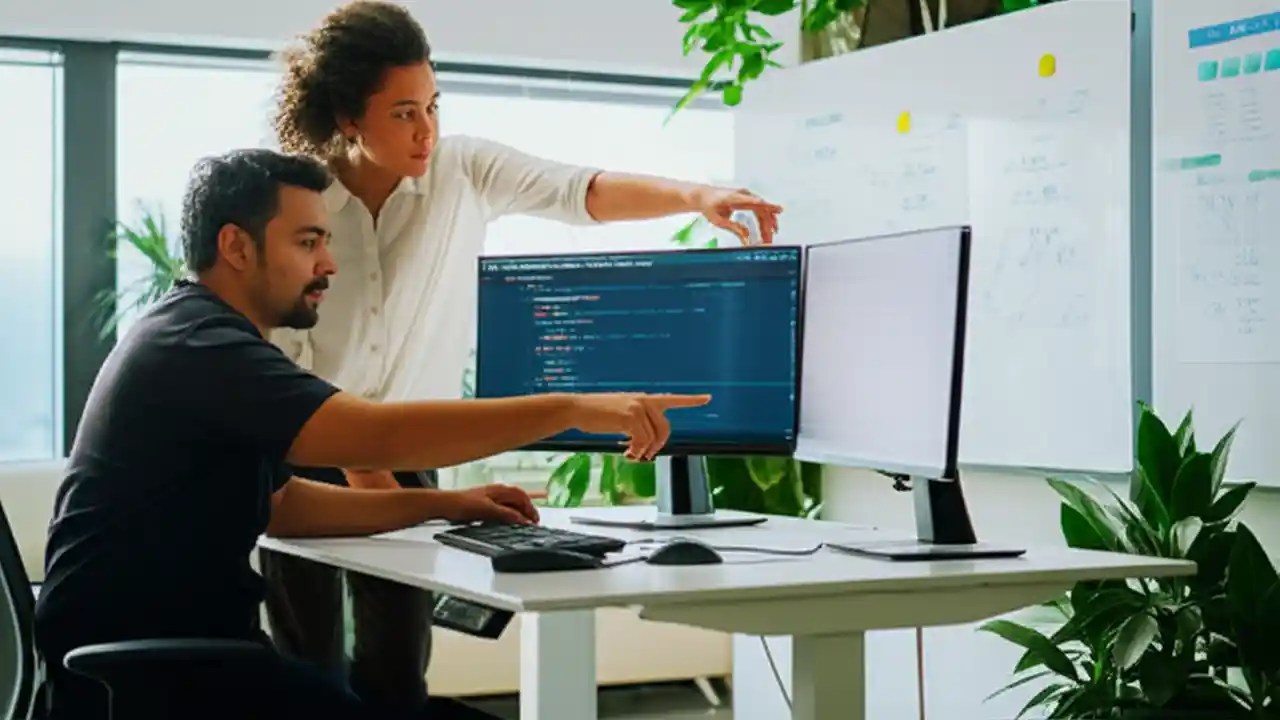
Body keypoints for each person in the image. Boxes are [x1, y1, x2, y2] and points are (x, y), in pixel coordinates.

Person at [32, 148, 710, 720]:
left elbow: (284, 507)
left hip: (170, 666)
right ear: (236, 246)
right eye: (307, 242)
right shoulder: (203, 346)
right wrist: (571, 407)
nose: (329, 263)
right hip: (157, 682)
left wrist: (446, 504)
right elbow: (371, 437)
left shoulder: (191, 332)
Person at [258, 0, 785, 714]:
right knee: (306, 668)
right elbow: (284, 353)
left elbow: (580, 191)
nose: (427, 130)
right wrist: (366, 466)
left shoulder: (462, 169)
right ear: (348, 117)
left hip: (411, 445)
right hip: (306, 451)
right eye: (404, 114)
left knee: (396, 671)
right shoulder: (299, 199)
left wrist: (697, 195)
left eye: (433, 106)